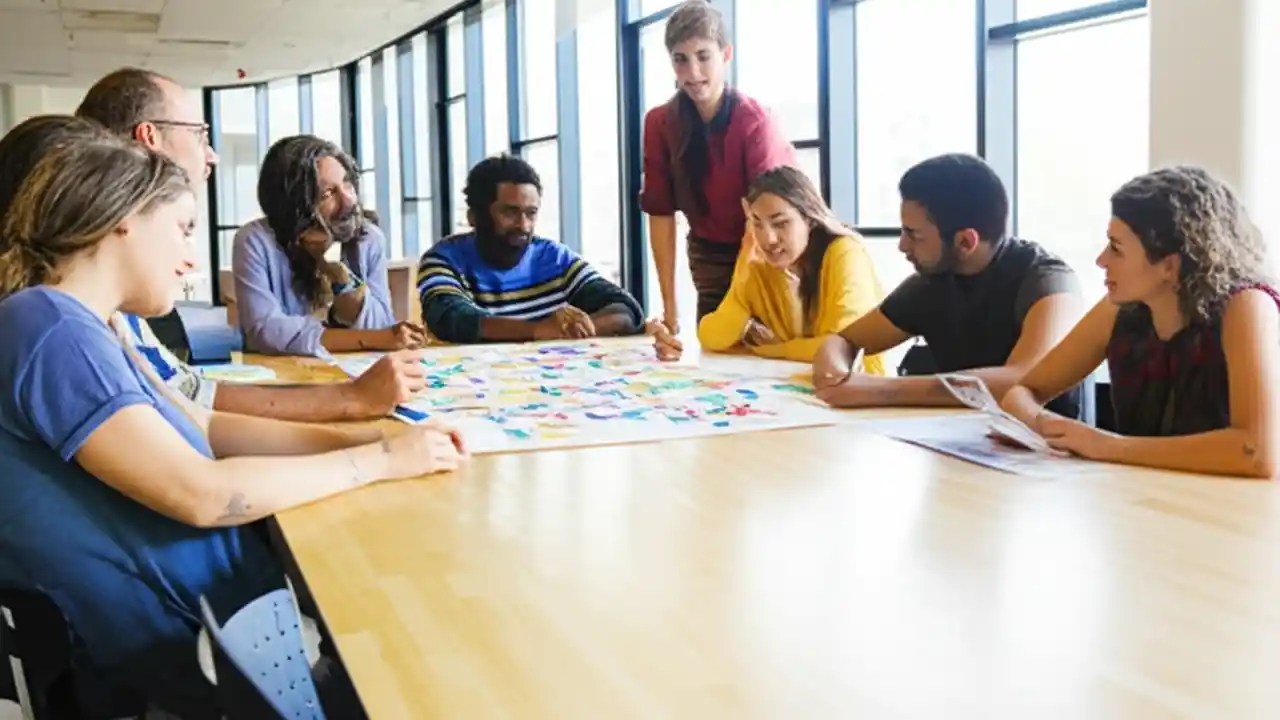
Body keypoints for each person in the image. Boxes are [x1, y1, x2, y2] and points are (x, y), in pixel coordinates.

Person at [0, 136, 467, 716]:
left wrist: (375, 437)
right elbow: (203, 494)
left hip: (230, 633)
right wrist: (380, 462)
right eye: (184, 227)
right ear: (123, 221)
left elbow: (207, 425)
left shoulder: (93, 325)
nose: (192, 257)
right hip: (206, 656)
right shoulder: (48, 325)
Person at [75, 68, 428, 420]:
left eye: (348, 185)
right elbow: (263, 337)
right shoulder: (74, 325)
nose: (212, 156)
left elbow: (185, 396)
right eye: (182, 230)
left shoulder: (111, 319)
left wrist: (353, 402)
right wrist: (354, 408)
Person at [1001, 167, 1279, 478]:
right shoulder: (1119, 310)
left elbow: (1258, 452)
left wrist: (1110, 447)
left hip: (1238, 515)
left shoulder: (1247, 306)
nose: (1101, 260)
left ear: (1169, 267)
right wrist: (1045, 426)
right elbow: (1021, 392)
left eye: (1116, 248)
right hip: (1148, 501)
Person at [812, 154, 1084, 415]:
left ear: (966, 241)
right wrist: (834, 372)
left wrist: (881, 390)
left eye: (914, 235)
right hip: (961, 443)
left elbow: (1024, 380)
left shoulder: (1049, 282)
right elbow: (845, 340)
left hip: (1046, 454)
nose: (902, 245)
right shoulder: (932, 281)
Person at [640, 0, 796, 331]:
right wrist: (669, 308)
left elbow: (765, 214)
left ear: (726, 54)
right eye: (680, 60)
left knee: (766, 344)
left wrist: (740, 297)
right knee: (715, 343)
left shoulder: (754, 120)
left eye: (703, 56)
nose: (693, 73)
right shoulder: (659, 123)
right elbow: (660, 213)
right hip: (707, 250)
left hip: (769, 247)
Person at [654, 166, 886, 370]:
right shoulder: (758, 263)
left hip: (859, 395)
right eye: (757, 223)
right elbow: (711, 336)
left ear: (810, 219)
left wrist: (775, 350)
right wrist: (744, 270)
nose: (768, 239)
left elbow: (842, 346)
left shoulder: (845, 252)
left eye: (780, 223)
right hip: (797, 388)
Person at [419, 154, 644, 343]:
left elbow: (625, 310)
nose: (523, 225)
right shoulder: (443, 260)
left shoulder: (555, 258)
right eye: (510, 213)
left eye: (531, 213)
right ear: (474, 217)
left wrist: (577, 328)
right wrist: (538, 330)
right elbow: (453, 320)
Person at [234, 134, 422, 355]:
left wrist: (337, 273)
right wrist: (367, 339)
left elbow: (380, 326)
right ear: (296, 208)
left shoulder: (369, 239)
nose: (349, 200)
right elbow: (265, 333)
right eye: (328, 193)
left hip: (358, 372)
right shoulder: (255, 241)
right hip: (281, 377)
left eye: (347, 184)